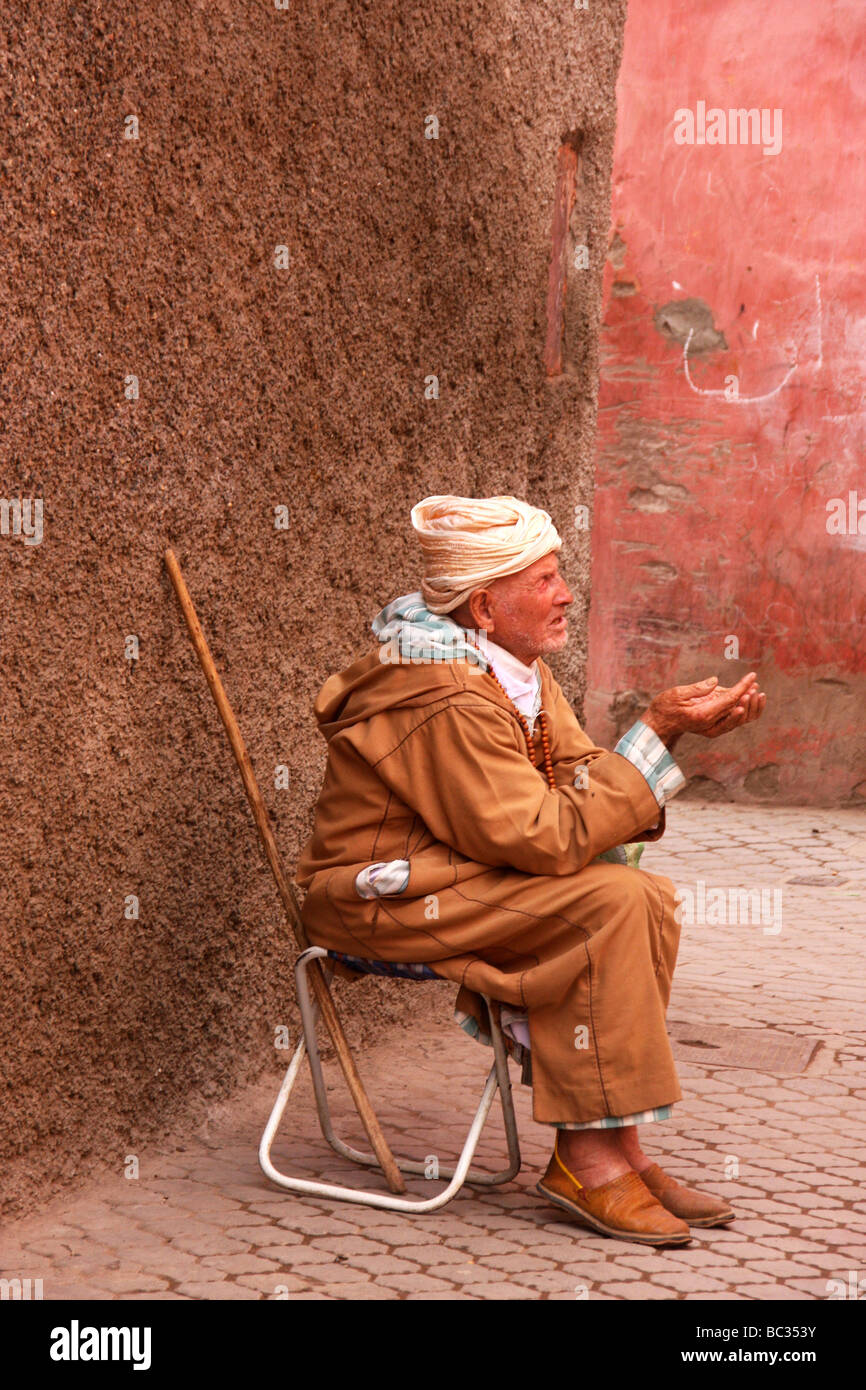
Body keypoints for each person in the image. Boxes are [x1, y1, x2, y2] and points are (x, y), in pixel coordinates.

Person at [296, 495, 766, 1245]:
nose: (566, 594)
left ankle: (619, 1147)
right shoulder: (443, 691)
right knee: (608, 903)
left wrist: (660, 743)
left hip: (462, 878)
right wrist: (658, 731)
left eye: (561, 576)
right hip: (380, 899)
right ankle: (584, 1160)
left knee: (643, 896)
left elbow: (578, 777)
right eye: (544, 580)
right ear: (485, 606)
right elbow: (540, 834)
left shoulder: (513, 671)